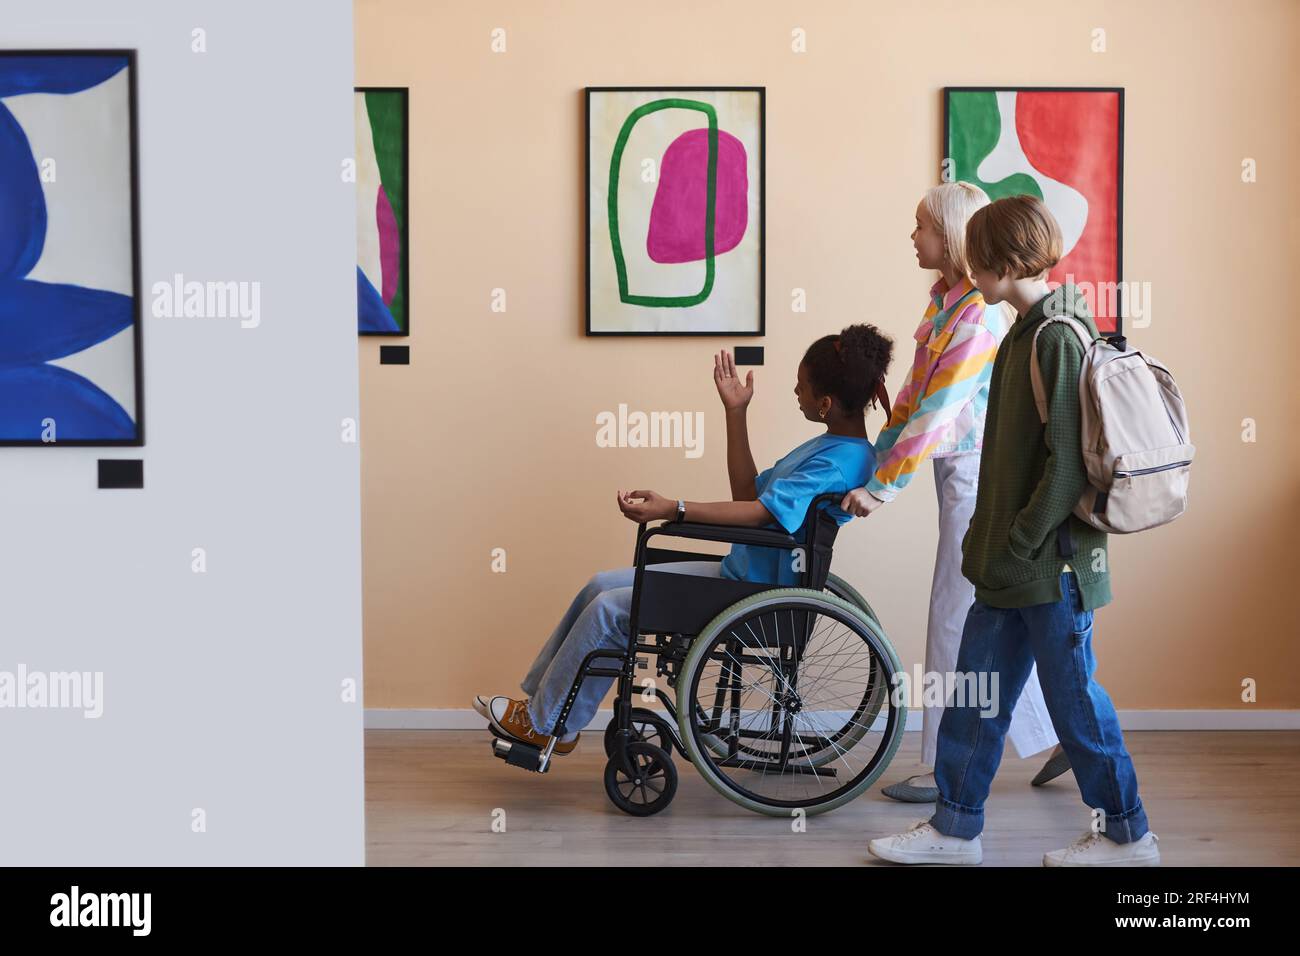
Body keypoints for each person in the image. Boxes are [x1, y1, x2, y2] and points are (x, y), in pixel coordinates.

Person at [868, 195, 1160, 866]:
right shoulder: (1022, 329)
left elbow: (1065, 468)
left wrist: (1020, 541)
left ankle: (1128, 836)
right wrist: (992, 545)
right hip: (1008, 564)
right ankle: (954, 829)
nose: (968, 269)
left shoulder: (1056, 336)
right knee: (974, 699)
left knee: (1076, 705)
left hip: (1050, 566)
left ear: (1001, 262)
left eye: (977, 258)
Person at [474, 326, 894, 755]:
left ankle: (545, 724)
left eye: (801, 386)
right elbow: (748, 496)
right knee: (600, 585)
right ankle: (544, 711)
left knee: (610, 611)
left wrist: (673, 509)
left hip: (760, 595)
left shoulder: (840, 462)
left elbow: (760, 513)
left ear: (825, 403)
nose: (795, 392)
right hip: (741, 576)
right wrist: (735, 413)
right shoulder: (830, 447)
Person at [844, 182, 1067, 803]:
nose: (913, 236)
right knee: (992, 614)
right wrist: (876, 461)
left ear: (950, 236)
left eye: (922, 226)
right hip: (961, 474)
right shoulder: (945, 304)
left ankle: (943, 769)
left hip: (978, 477)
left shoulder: (977, 315)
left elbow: (938, 412)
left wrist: (882, 487)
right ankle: (1061, 736)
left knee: (954, 614)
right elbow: (913, 397)